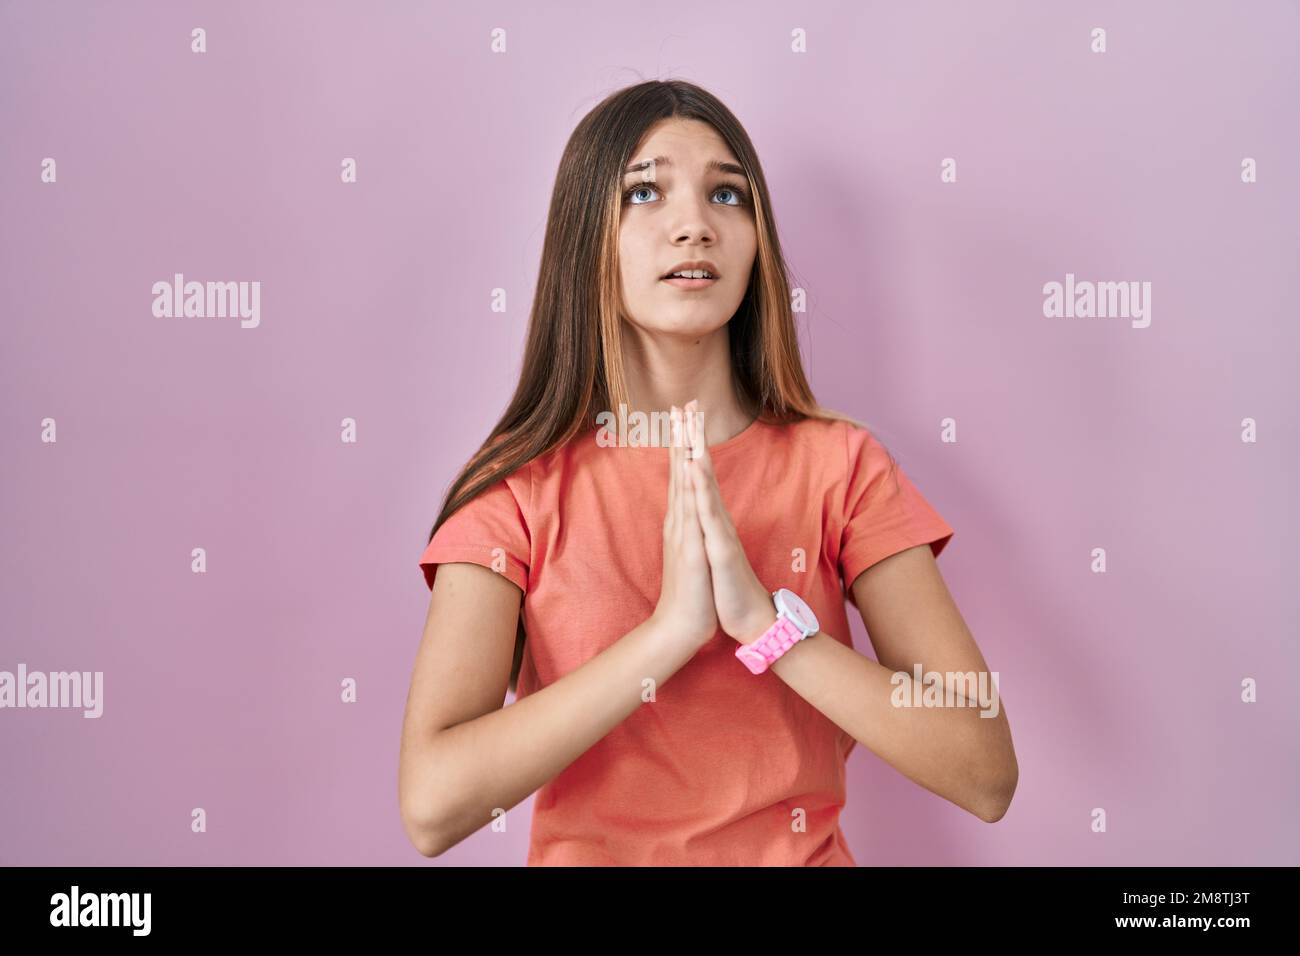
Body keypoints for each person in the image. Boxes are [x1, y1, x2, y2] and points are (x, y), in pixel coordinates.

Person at [398, 79, 1018, 866]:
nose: (694, 226)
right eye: (645, 192)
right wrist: (669, 635)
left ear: (758, 239)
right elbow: (431, 807)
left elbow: (985, 771)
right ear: (586, 235)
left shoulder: (843, 467)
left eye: (727, 195)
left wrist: (770, 630)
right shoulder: (513, 493)